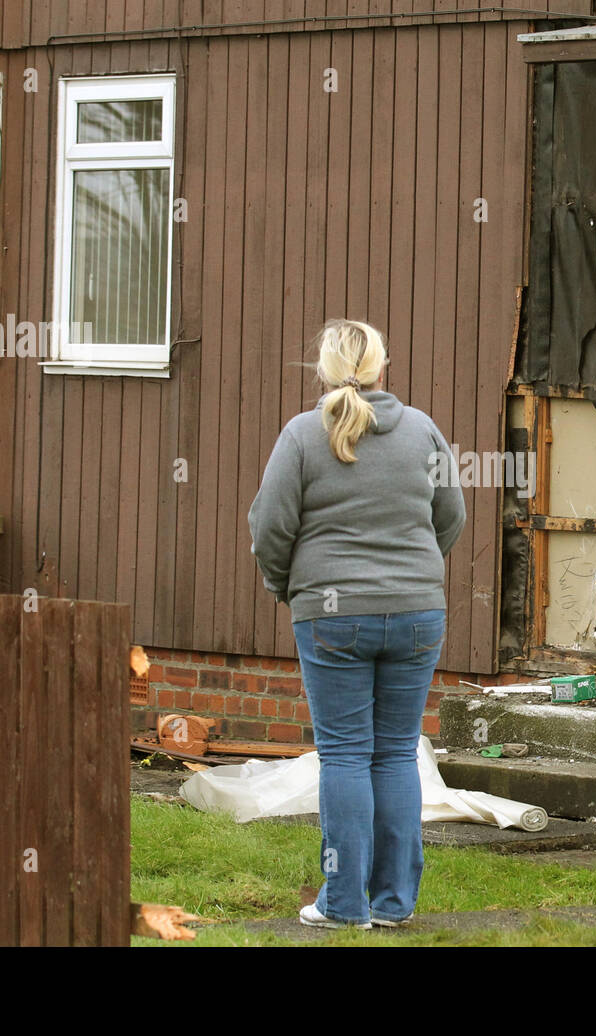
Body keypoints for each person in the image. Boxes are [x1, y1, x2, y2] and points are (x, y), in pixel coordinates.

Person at [247, 318, 466, 929]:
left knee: (344, 755)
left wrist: (287, 587)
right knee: (396, 752)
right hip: (418, 612)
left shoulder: (301, 435)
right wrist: (411, 576)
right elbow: (451, 514)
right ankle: (394, 903)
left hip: (331, 616)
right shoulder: (423, 429)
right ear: (380, 365)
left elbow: (270, 527)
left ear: (323, 368)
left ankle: (344, 905)